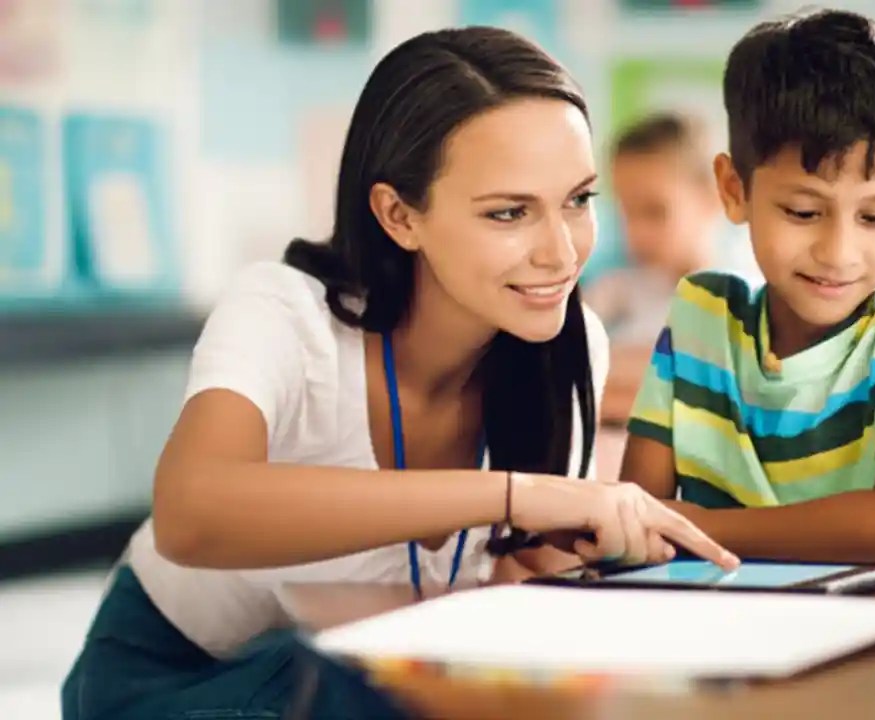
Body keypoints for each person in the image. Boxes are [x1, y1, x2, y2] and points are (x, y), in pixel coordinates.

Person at [61, 27, 736, 720]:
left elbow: (504, 575)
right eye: (509, 212)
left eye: (579, 200)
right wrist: (511, 495)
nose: (563, 253)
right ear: (397, 214)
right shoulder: (284, 313)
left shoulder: (571, 345)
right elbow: (189, 514)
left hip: (359, 661)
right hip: (178, 674)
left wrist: (559, 559)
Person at [620, 9, 875, 568]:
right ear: (732, 189)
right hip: (709, 632)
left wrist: (700, 526)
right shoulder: (700, 317)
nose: (838, 252)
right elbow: (638, 519)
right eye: (802, 211)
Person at [586, 113, 757, 423]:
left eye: (654, 212)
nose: (635, 232)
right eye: (625, 213)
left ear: (716, 196)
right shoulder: (618, 286)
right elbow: (561, 361)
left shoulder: (744, 293)